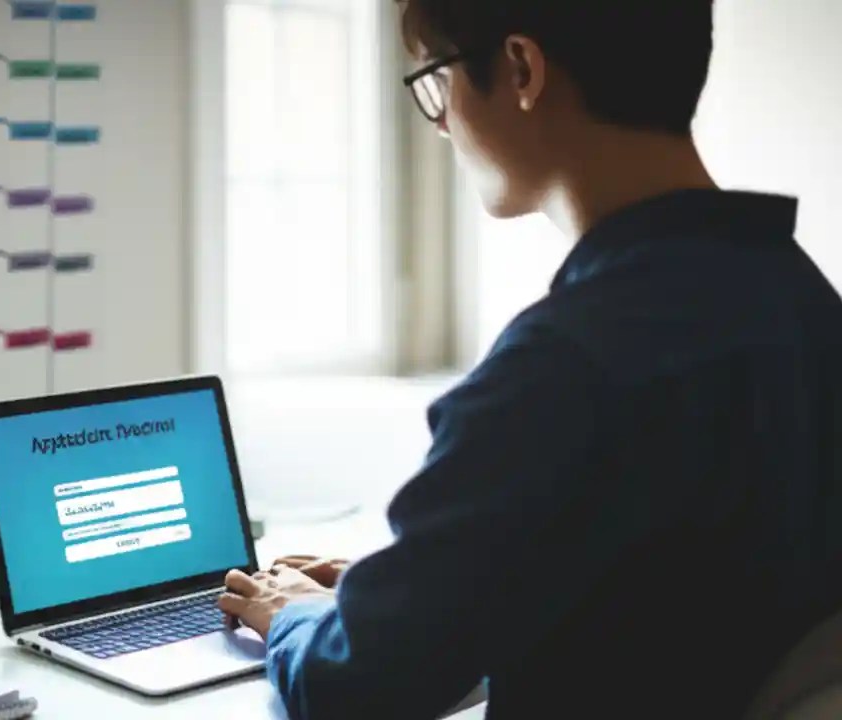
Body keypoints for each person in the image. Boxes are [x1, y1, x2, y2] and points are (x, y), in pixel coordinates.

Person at [216, 1, 842, 718]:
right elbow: (676, 591)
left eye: (438, 80)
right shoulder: (805, 303)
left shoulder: (566, 366)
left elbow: (354, 686)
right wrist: (411, 593)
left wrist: (295, 616)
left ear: (520, 69)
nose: (442, 123)